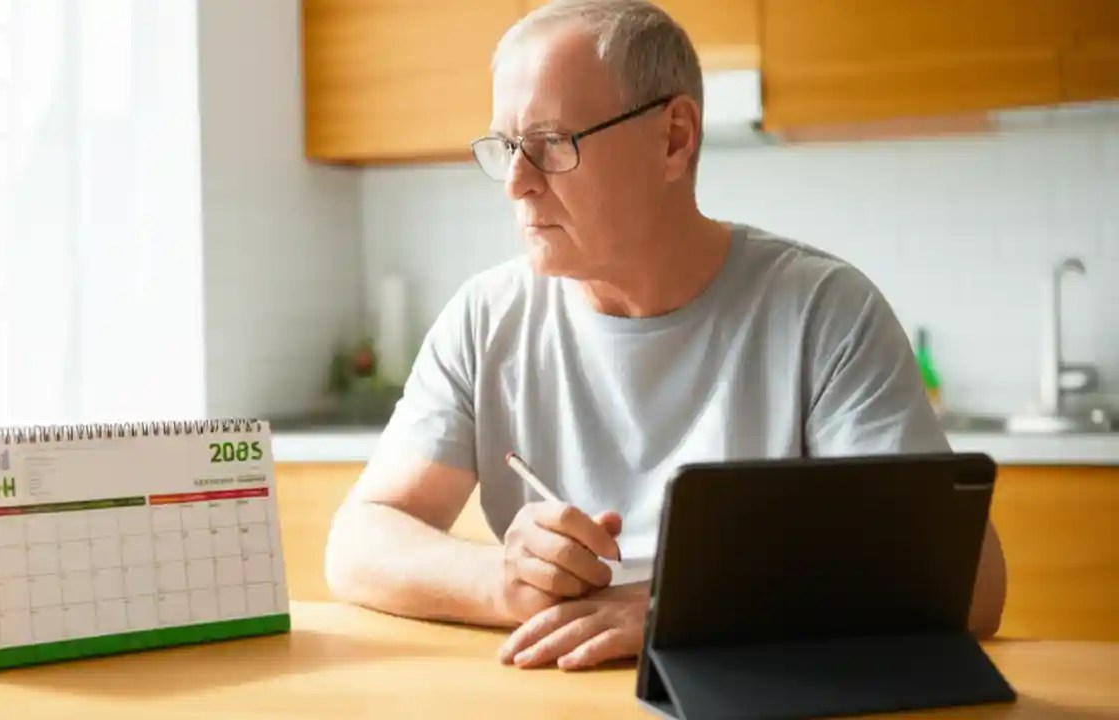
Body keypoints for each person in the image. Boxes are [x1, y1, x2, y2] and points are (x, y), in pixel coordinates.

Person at [324, 0, 1006, 671]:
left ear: (674, 138)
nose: (517, 184)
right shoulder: (485, 318)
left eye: (552, 142)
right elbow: (357, 543)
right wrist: (503, 581)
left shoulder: (823, 312)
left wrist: (685, 614)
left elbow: (969, 586)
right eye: (507, 147)